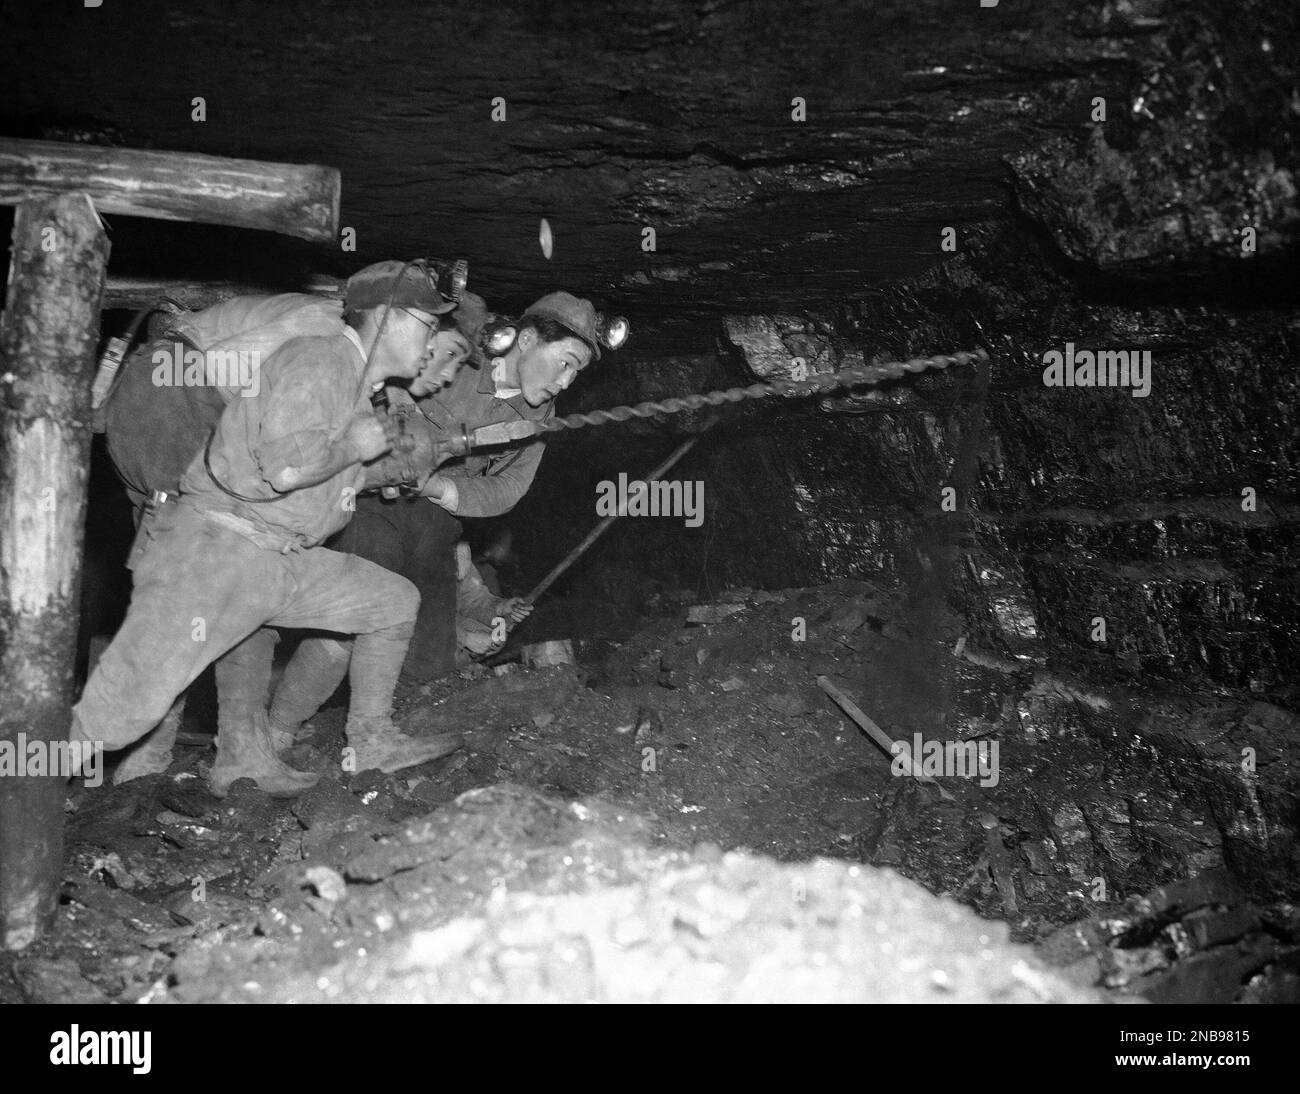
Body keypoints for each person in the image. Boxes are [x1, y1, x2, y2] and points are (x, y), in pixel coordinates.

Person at [72, 261, 465, 791]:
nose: (433, 337)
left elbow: (308, 471)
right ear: (388, 318)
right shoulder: (321, 358)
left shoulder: (351, 382)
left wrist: (375, 469)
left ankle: (368, 739)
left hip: (276, 559)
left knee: (391, 602)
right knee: (112, 720)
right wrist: (356, 446)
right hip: (217, 552)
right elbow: (283, 468)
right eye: (427, 323)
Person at [267, 291, 614, 746]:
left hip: (438, 524)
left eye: (576, 372)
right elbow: (377, 381)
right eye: (565, 362)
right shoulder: (459, 356)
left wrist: (440, 488)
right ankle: (278, 733)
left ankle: (384, 749)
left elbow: (509, 488)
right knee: (357, 620)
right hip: (374, 504)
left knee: (429, 663)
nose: (565, 382)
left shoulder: (542, 418)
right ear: (526, 340)